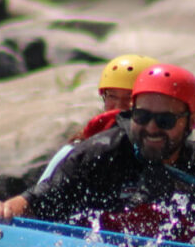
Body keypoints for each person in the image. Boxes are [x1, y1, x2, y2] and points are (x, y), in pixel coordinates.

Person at [0, 62, 195, 247]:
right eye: (141, 116)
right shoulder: (101, 153)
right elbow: (35, 201)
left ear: (191, 121)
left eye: (165, 121)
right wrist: (4, 211)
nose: (151, 127)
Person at [38, 53, 158, 182]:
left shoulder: (170, 150)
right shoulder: (76, 151)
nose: (119, 106)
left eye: (130, 97)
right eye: (112, 96)